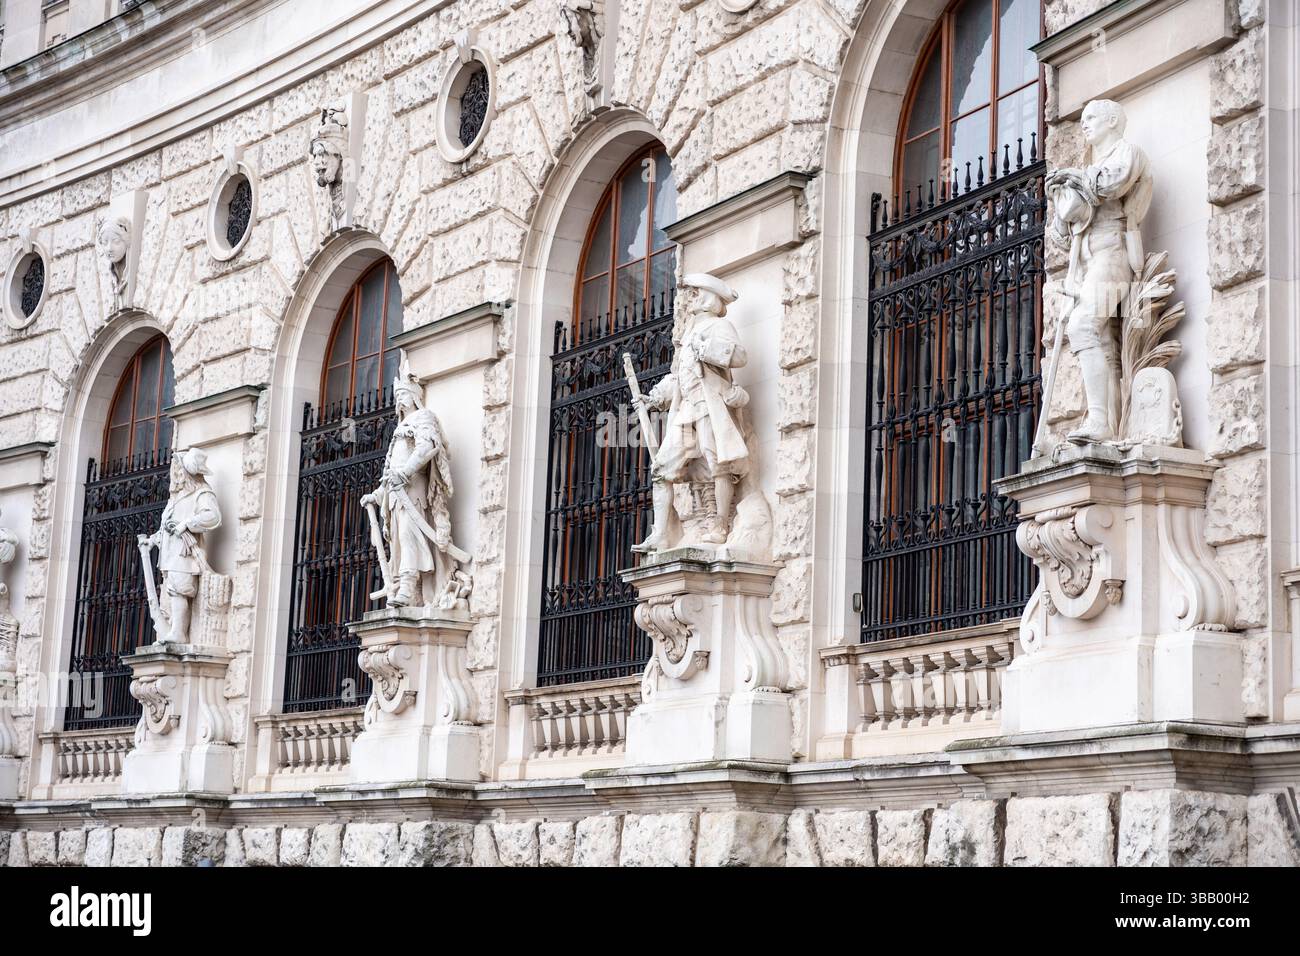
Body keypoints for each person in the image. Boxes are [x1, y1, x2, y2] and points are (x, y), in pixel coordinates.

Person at [1045, 98, 1153, 443]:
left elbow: (1109, 185)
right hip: (1087, 262)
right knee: (1100, 340)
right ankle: (1105, 422)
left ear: (1111, 120)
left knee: (1082, 325)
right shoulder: (1085, 165)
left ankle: (1101, 420)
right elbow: (1061, 238)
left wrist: (1073, 179)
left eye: (1091, 117)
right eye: (1083, 118)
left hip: (1113, 254)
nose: (1084, 124)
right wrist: (1061, 205)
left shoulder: (1128, 152)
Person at [632, 273, 751, 553]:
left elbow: (740, 357)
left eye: (697, 293)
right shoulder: (689, 333)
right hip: (687, 410)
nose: (693, 299)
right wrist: (653, 398)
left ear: (710, 298)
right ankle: (660, 534)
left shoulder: (719, 327)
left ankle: (719, 525)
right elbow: (678, 377)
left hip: (712, 407)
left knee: (718, 465)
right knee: (661, 470)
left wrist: (705, 349)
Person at [362, 355, 464, 609]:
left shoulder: (424, 418)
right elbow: (390, 469)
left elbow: (428, 447)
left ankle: (408, 586)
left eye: (404, 394)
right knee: (397, 541)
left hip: (412, 489)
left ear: (415, 396)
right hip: (395, 493)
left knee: (409, 536)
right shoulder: (400, 429)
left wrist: (405, 473)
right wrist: (376, 494)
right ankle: (403, 587)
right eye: (398, 395)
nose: (400, 399)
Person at [152, 447, 222, 644]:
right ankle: (175, 630)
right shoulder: (175, 498)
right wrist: (156, 538)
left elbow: (213, 516)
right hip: (171, 553)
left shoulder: (202, 492)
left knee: (180, 589)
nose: (174, 474)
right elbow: (166, 524)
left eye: (178, 469)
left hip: (185, 553)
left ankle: (179, 633)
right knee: (173, 590)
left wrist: (186, 524)